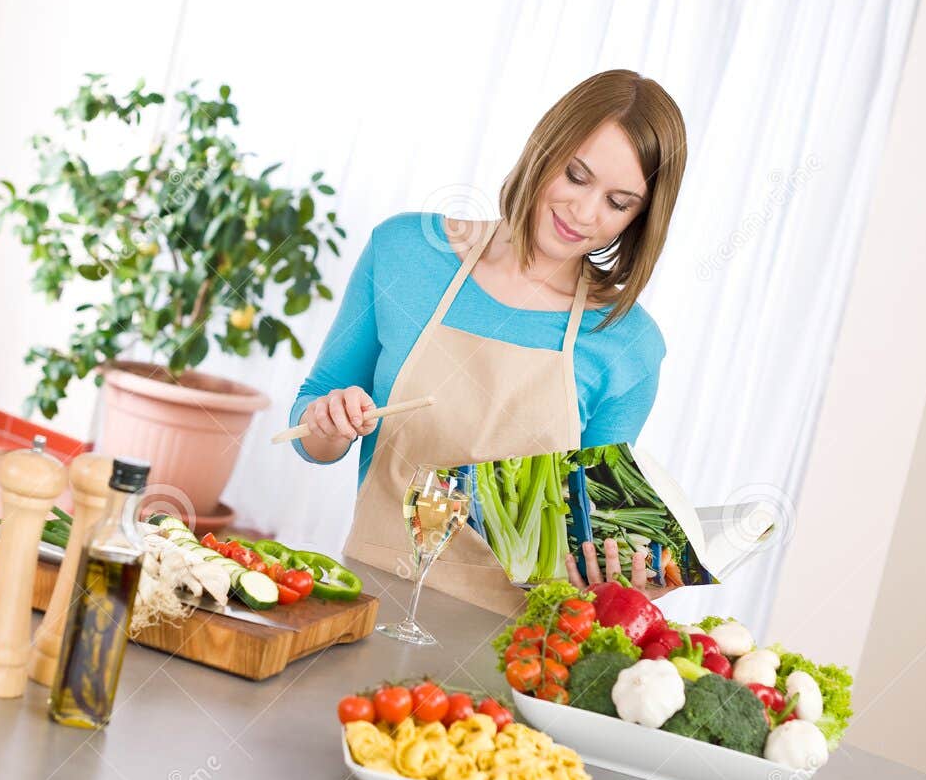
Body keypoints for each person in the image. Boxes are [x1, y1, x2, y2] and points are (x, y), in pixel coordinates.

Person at [288, 69, 687, 614]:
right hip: (364, 607)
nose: (585, 212)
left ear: (641, 218)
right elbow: (312, 426)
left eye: (618, 203)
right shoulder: (406, 252)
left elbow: (587, 540)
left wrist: (628, 581)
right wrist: (328, 422)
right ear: (543, 150)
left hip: (507, 651)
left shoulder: (628, 344)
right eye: (575, 175)